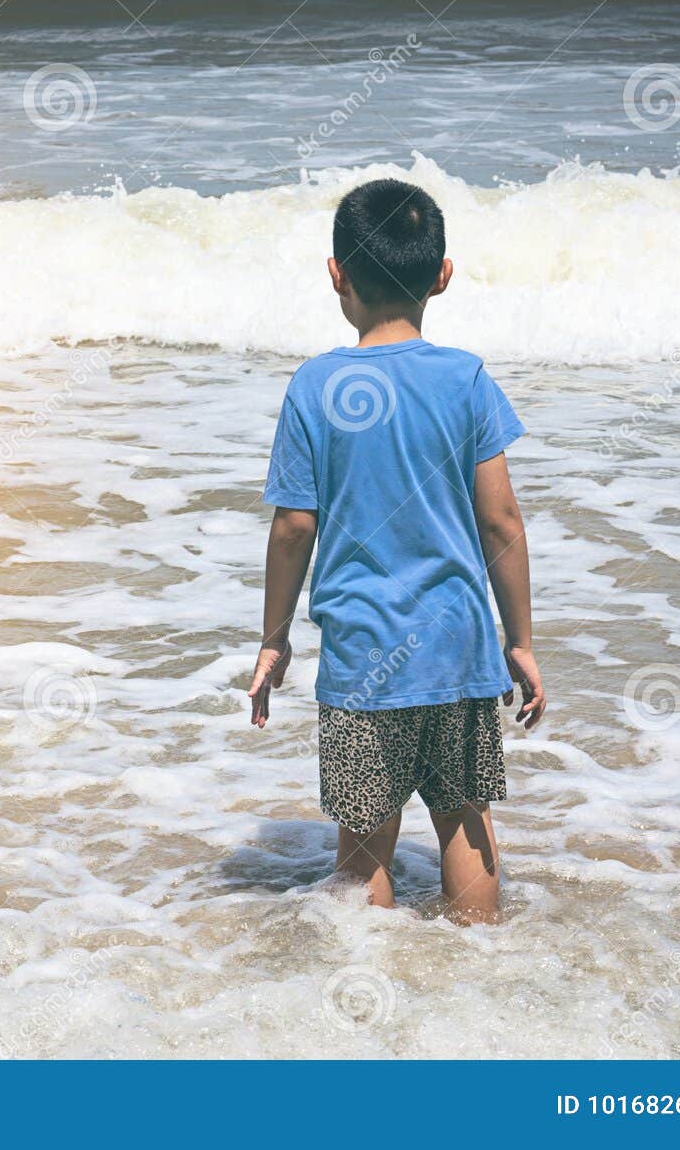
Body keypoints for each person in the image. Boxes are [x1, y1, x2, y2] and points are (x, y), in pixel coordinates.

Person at [248, 178, 544, 924]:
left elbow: (292, 528)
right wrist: (523, 642)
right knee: (463, 817)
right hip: (458, 650)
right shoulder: (465, 378)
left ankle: (372, 983)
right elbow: (502, 520)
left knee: (365, 846)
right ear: (442, 275)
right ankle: (482, 958)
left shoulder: (317, 386)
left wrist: (273, 638)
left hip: (363, 659)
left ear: (337, 274)